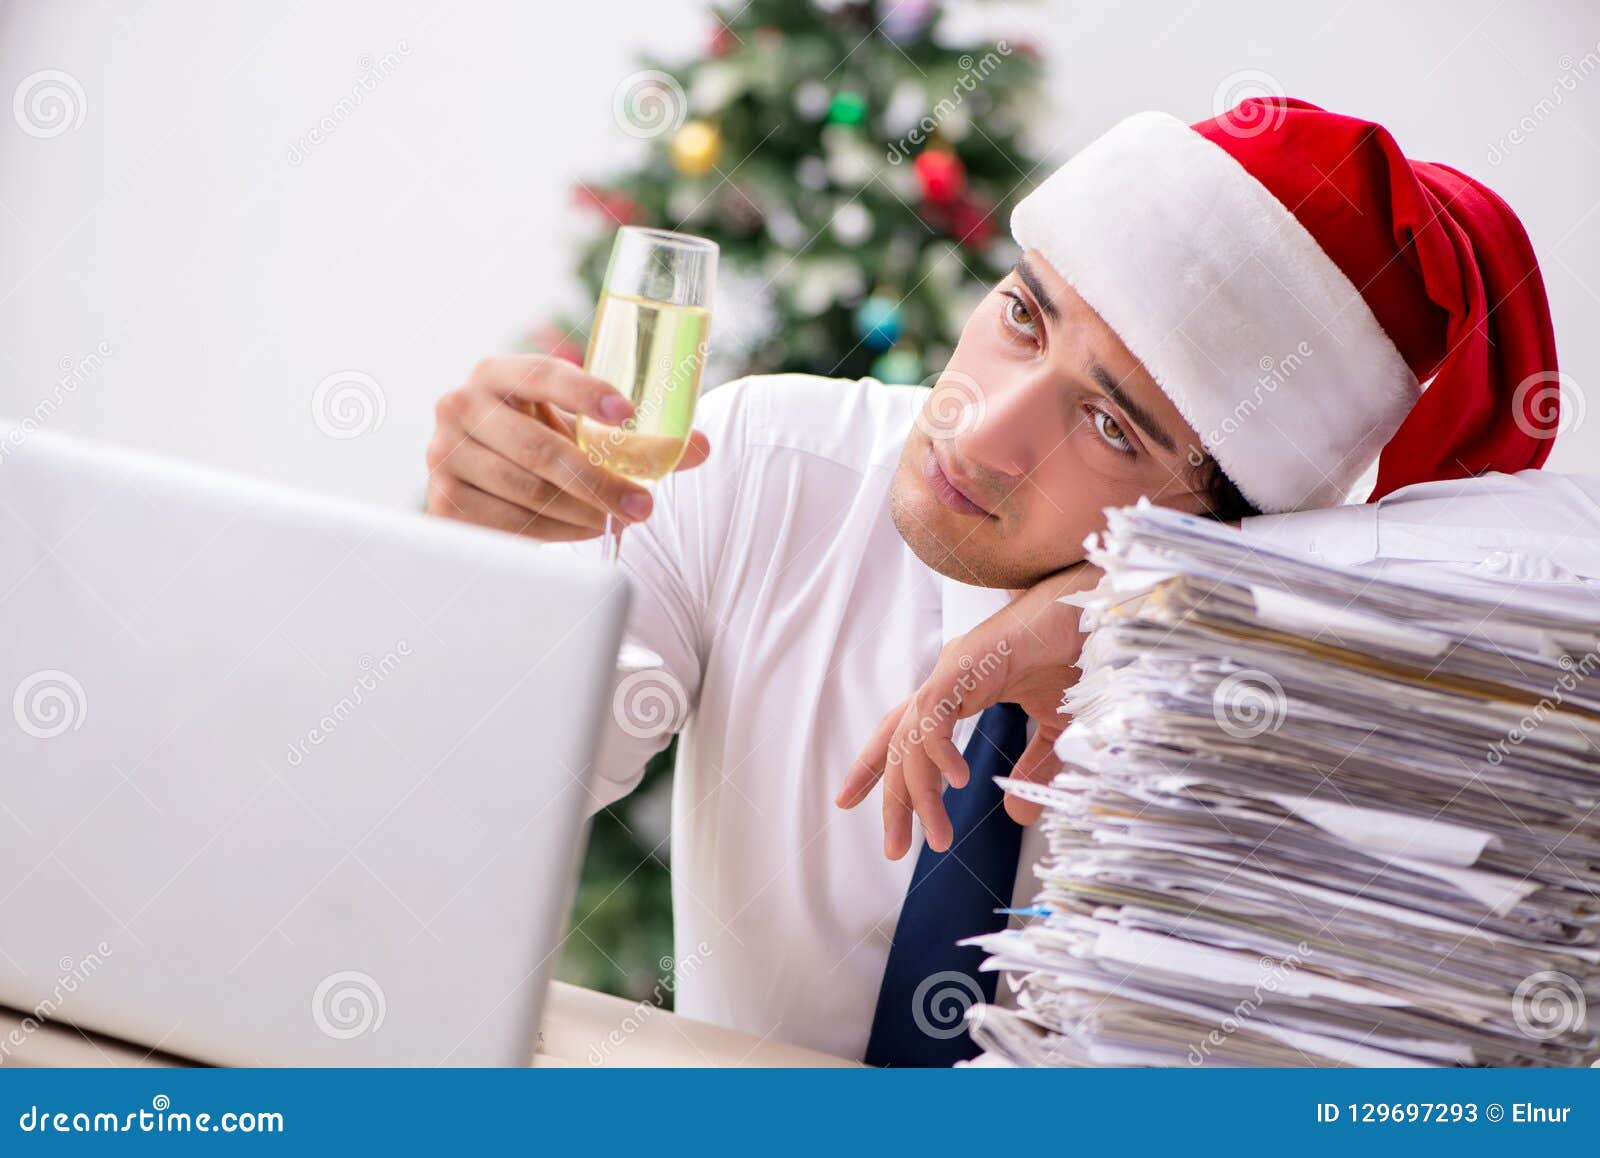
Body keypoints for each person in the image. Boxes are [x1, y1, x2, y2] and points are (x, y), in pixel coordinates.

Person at [424, 98, 1569, 1064]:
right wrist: (482, 562)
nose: (982, 435)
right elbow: (464, 799)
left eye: (1111, 426)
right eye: (1024, 317)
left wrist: (1160, 610)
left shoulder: (1299, 694)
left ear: (1238, 522)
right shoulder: (763, 467)